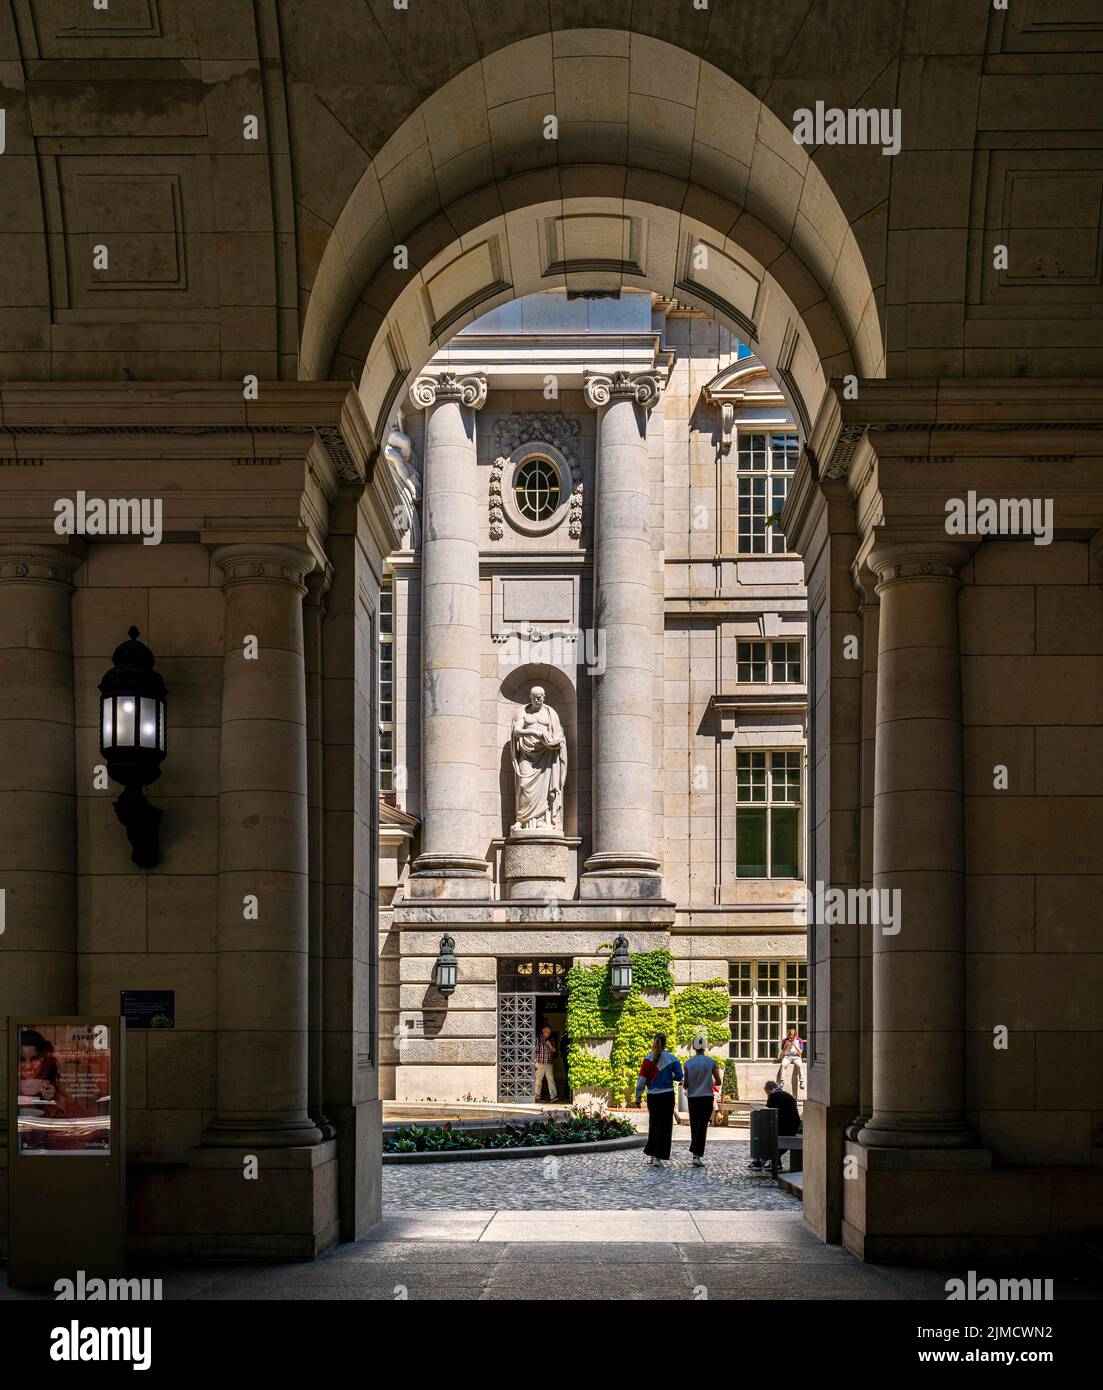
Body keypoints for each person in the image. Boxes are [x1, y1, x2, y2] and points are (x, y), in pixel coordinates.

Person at [635, 1032, 684, 1166]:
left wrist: (638, 1097)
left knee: (654, 1124)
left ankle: (651, 1154)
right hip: (667, 1095)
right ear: (665, 1044)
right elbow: (680, 1077)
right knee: (666, 1126)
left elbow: (641, 1081)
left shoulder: (647, 1059)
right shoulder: (672, 1059)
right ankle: (659, 1158)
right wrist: (670, 1074)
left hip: (652, 1096)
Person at [682, 1035, 722, 1167]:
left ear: (694, 1047)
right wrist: (708, 1081)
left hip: (693, 1097)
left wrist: (693, 1082)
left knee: (694, 1125)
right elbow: (719, 1081)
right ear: (705, 1047)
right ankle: (696, 1155)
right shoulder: (711, 1062)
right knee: (702, 1126)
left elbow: (686, 1084)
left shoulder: (688, 1063)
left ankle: (695, 1153)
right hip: (706, 1097)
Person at [749, 1080, 801, 1170]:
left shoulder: (773, 1096)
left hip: (786, 1128)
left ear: (768, 1089)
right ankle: (775, 1162)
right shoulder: (786, 1094)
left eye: (766, 1092)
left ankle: (762, 1160)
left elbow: (769, 1112)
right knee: (773, 1136)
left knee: (768, 1138)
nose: (767, 1094)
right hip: (794, 1126)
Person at [777, 1024, 805, 1094]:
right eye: (790, 1034)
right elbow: (784, 1052)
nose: (791, 1036)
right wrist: (788, 1044)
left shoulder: (799, 1040)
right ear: (788, 1034)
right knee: (783, 1065)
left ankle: (801, 1081)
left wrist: (794, 1044)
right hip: (788, 1056)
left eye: (793, 1034)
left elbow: (800, 1052)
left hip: (796, 1056)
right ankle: (782, 1081)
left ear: (795, 1034)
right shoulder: (785, 1040)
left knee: (800, 1065)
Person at [533, 1025, 558, 1103]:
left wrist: (549, 1044)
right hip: (540, 1063)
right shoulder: (538, 1039)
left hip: (549, 1063)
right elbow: (535, 1050)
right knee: (538, 1081)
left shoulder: (551, 1039)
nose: (549, 1034)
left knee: (551, 1080)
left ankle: (553, 1096)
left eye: (550, 1032)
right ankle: (537, 1097)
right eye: (548, 1032)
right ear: (543, 1031)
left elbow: (554, 1050)